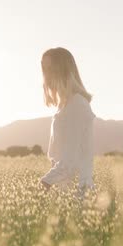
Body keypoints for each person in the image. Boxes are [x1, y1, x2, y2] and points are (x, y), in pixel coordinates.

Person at [39, 47, 95, 194]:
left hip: (78, 197)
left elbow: (70, 161)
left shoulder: (77, 104)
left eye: (49, 68)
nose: (45, 75)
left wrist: (44, 183)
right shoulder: (65, 106)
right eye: (43, 68)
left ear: (62, 70)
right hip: (65, 195)